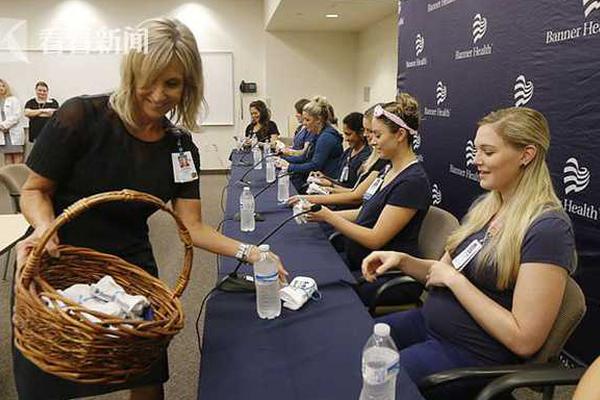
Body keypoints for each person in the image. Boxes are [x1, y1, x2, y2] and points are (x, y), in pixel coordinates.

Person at [13, 17, 287, 400]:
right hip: (61, 254)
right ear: (131, 74)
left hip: (130, 264)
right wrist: (44, 228)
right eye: (150, 80)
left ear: (187, 84)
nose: (159, 95)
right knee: (51, 367)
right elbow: (34, 191)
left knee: (145, 367)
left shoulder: (178, 146)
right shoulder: (81, 116)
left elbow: (192, 226)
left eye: (172, 83)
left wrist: (254, 253)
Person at [362, 107, 576, 397]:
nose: (476, 160)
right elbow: (440, 272)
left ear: (527, 155)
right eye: (476, 151)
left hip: (471, 355)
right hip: (429, 324)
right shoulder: (487, 207)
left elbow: (524, 339)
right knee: (357, 343)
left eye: (488, 152)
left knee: (379, 384)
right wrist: (403, 260)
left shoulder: (548, 229)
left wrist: (455, 281)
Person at [304, 95, 431, 274]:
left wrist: (329, 217)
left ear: (400, 135)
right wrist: (322, 212)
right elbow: (363, 213)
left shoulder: (412, 182)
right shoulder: (388, 169)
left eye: (377, 135)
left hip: (379, 272)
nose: (371, 141)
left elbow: (375, 239)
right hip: (358, 260)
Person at [287, 104, 388, 208]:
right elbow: (350, 189)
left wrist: (316, 197)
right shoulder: (349, 152)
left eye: (375, 133)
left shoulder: (372, 159)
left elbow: (356, 196)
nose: (367, 135)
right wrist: (328, 182)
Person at [277, 96, 343, 192]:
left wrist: (289, 166)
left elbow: (315, 165)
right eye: (304, 119)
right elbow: (304, 157)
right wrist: (282, 159)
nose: (304, 123)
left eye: (307, 120)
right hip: (315, 179)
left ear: (318, 120)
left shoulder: (326, 137)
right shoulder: (317, 133)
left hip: (326, 184)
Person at [315, 112, 371, 190]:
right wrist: (325, 178)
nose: (346, 139)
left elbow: (355, 192)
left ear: (361, 132)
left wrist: (331, 185)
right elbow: (341, 182)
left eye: (349, 134)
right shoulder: (348, 152)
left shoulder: (367, 157)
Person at [0, 78, 25, 164]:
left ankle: (18, 177)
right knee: (7, 158)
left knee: (18, 158)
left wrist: (4, 125)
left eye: (3, 86)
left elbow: (16, 116)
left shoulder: (13, 99)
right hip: (3, 134)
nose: (1, 88)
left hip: (14, 132)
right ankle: (8, 177)